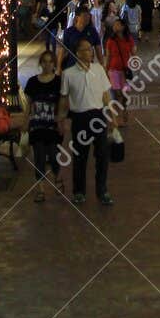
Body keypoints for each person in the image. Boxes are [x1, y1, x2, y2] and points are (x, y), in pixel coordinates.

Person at [59, 40, 115, 207]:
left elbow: (106, 94)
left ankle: (102, 191)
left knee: (102, 156)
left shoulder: (98, 70)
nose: (90, 52)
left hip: (98, 116)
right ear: (78, 53)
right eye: (86, 50)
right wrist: (61, 119)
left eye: (90, 49)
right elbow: (63, 98)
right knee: (80, 157)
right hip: (80, 118)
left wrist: (111, 116)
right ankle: (79, 192)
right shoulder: (68, 74)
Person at [22, 51, 62, 203]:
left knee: (53, 155)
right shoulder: (33, 82)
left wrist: (61, 122)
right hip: (37, 125)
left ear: (53, 64)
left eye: (50, 61)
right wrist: (25, 122)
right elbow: (29, 105)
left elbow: (62, 105)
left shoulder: (58, 82)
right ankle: (40, 189)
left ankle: (57, 176)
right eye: (44, 61)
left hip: (52, 125)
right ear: (40, 63)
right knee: (38, 156)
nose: (47, 64)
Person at [104, 17, 136, 120]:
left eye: (117, 24)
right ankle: (119, 115)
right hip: (113, 70)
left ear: (123, 27)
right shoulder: (110, 40)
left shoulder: (128, 39)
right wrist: (106, 69)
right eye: (114, 25)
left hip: (125, 70)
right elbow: (108, 57)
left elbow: (133, 53)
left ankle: (124, 109)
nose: (115, 26)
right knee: (117, 93)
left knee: (125, 92)